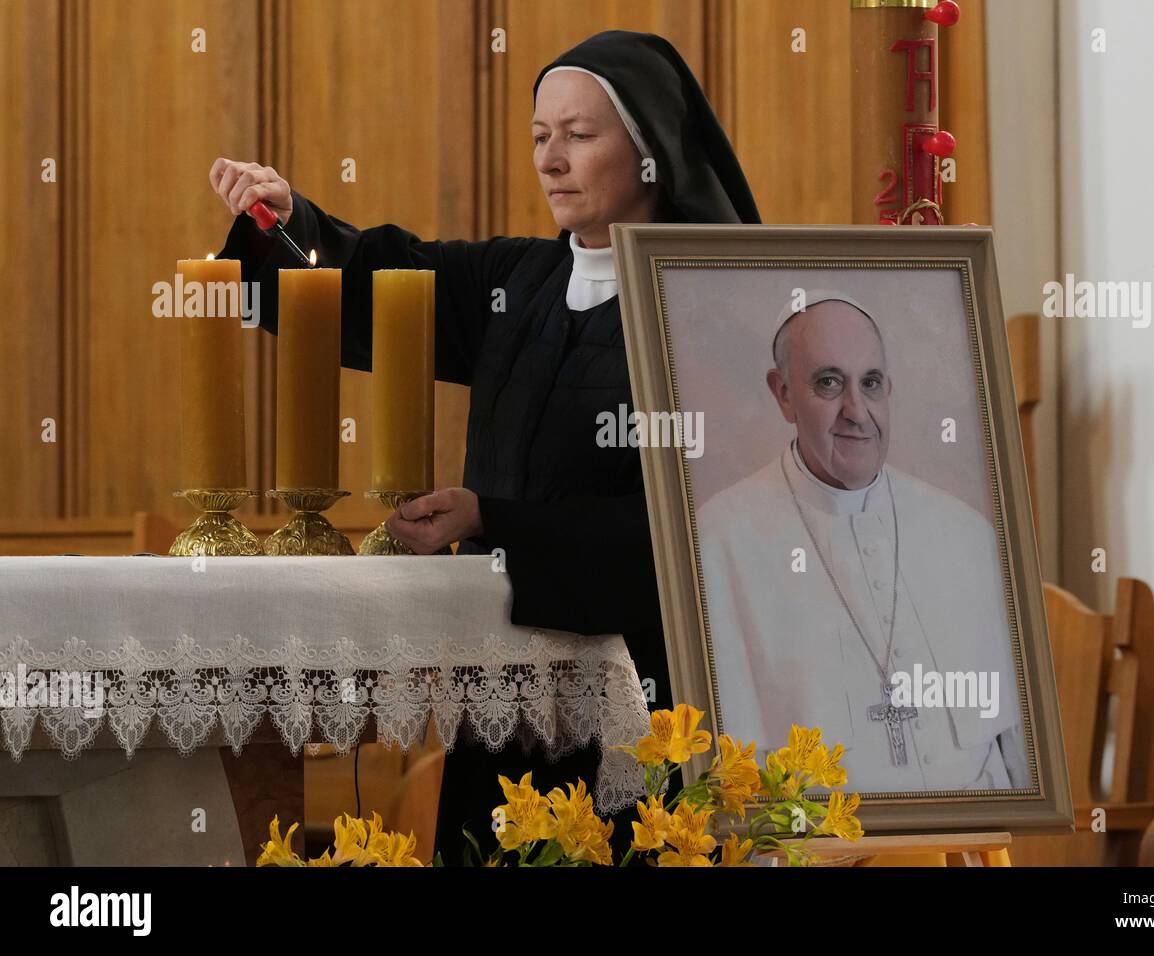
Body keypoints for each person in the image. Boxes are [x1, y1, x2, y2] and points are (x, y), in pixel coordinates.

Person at [210, 30, 760, 862]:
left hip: (646, 706)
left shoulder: (711, 310)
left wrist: (494, 519)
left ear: (651, 151)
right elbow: (373, 282)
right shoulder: (515, 282)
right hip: (499, 708)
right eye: (540, 136)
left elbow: (693, 533)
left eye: (579, 136)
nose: (551, 159)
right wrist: (286, 223)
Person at [697, 291, 1031, 794]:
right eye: (829, 383)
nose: (856, 411)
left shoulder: (966, 533)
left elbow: (1019, 754)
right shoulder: (718, 541)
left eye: (870, 383)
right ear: (783, 393)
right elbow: (731, 780)